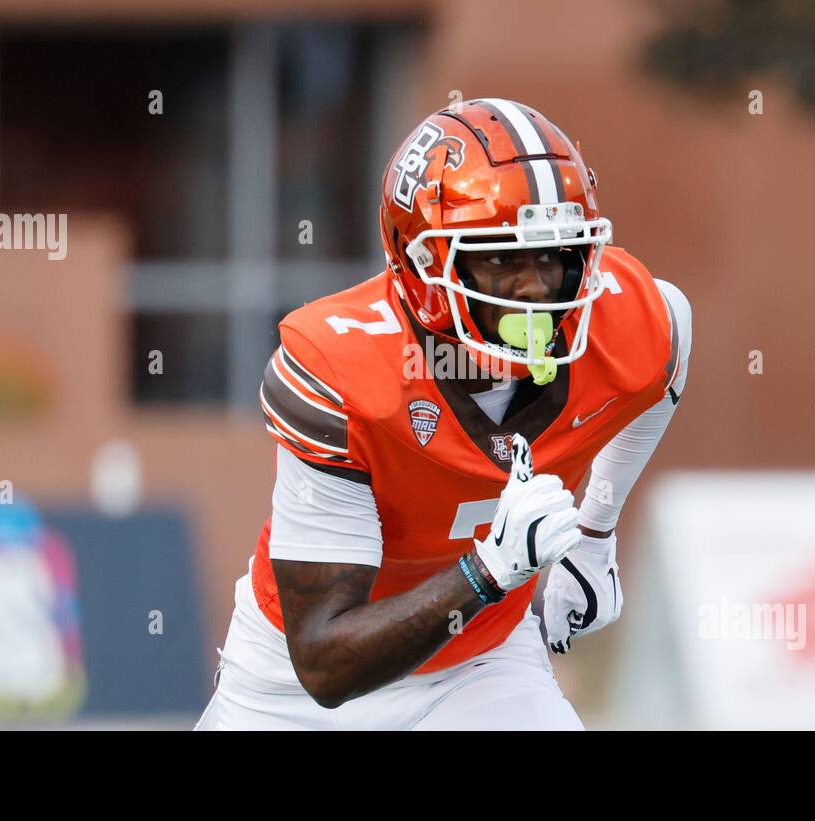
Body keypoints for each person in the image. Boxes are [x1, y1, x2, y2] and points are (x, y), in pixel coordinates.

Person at [196, 98, 692, 730]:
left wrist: (597, 530)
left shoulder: (624, 324)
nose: (536, 288)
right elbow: (325, 662)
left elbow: (674, 343)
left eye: (552, 255)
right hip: (291, 688)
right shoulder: (343, 369)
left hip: (479, 666)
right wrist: (490, 569)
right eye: (502, 257)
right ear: (424, 263)